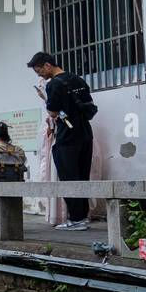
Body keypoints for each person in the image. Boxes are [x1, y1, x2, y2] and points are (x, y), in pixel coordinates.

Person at [27, 51, 96, 230]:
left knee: (68, 177)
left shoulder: (53, 85)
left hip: (67, 135)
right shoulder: (78, 80)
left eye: (39, 71)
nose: (39, 75)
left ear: (48, 65)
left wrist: (44, 97)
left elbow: (53, 112)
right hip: (85, 134)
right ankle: (83, 217)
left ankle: (76, 220)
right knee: (82, 176)